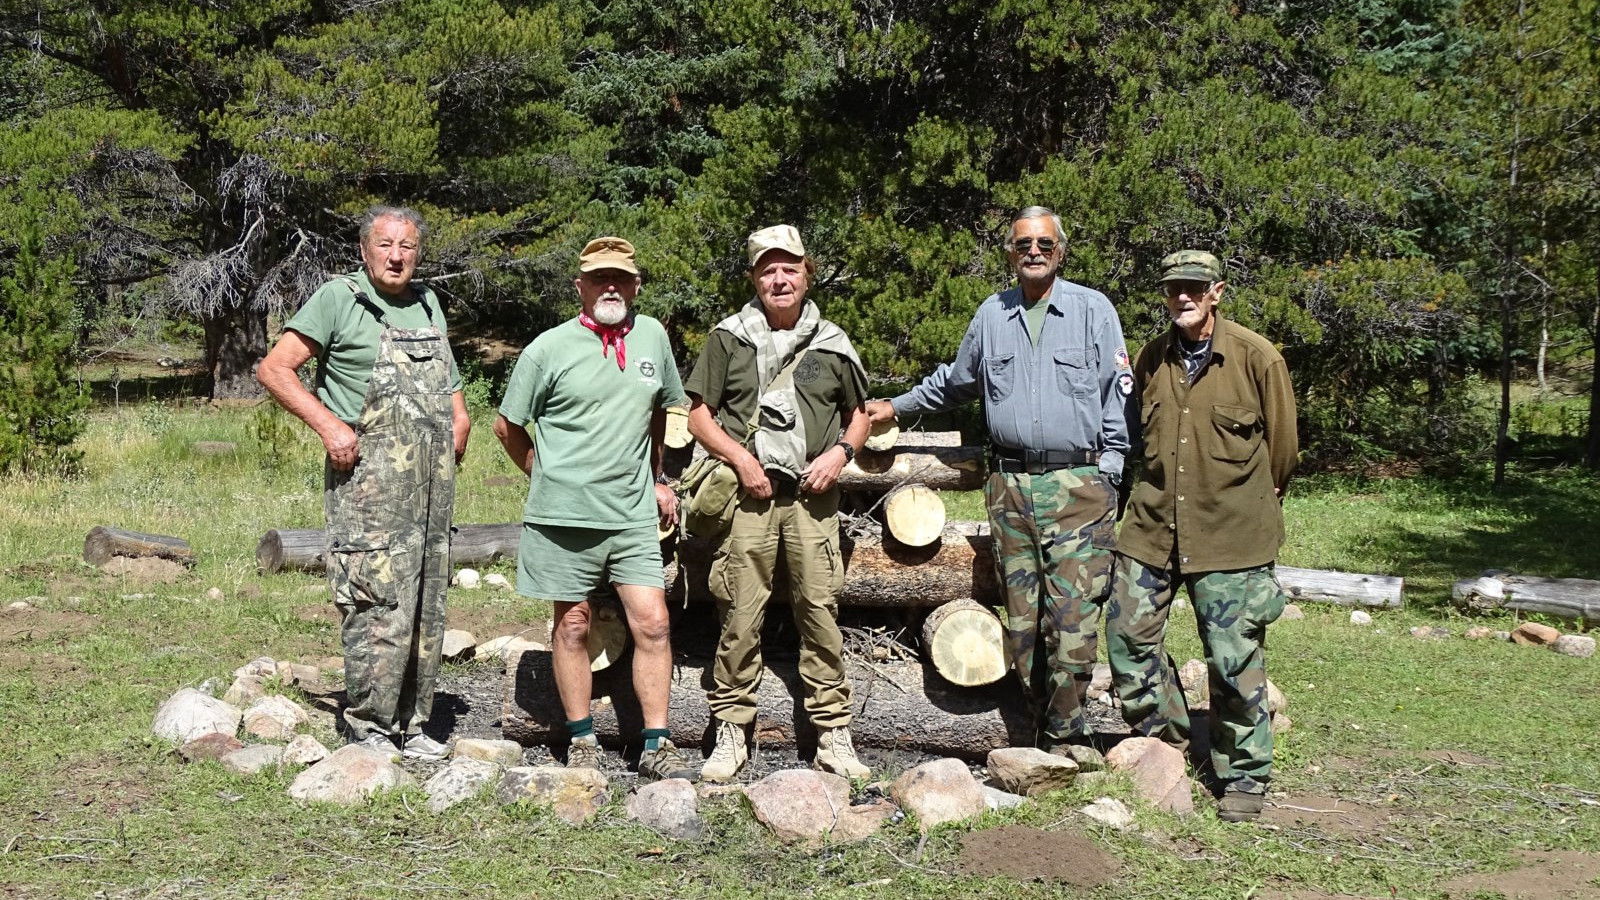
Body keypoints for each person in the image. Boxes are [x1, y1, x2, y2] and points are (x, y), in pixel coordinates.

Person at [866, 206, 1132, 754]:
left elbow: (1119, 397)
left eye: (1043, 243)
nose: (1032, 252)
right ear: (1010, 254)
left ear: (1061, 250)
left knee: (1074, 621)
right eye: (1021, 245)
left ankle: (1069, 737)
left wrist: (1110, 472)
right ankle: (1035, 731)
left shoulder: (1092, 311)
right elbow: (955, 383)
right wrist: (893, 407)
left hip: (1078, 487)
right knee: (1024, 622)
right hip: (1010, 488)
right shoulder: (993, 314)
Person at [257, 205, 470, 759]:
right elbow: (275, 369)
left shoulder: (427, 302)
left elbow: (449, 383)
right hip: (368, 483)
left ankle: (415, 723)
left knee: (427, 596)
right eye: (385, 244)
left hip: (430, 484)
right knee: (376, 595)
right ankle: (368, 725)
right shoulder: (338, 298)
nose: (397, 256)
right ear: (364, 249)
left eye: (407, 246)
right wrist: (329, 426)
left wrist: (460, 420)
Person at [492, 236, 694, 781]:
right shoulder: (548, 349)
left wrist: (655, 479)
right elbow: (506, 425)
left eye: (622, 278)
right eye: (599, 277)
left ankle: (657, 741)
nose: (611, 286)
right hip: (563, 517)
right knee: (574, 623)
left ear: (635, 285)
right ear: (578, 286)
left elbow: (660, 410)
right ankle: (581, 738)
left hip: (630, 515)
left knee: (653, 624)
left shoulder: (653, 337)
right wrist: (542, 472)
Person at [1107, 249, 1298, 823]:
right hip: (1153, 527)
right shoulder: (1151, 357)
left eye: (1193, 287)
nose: (1182, 298)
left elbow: (1283, 453)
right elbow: (1140, 437)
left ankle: (1244, 774)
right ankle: (1170, 742)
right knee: (1126, 639)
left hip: (1230, 534)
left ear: (1216, 290)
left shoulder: (1257, 358)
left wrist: (1248, 502)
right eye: (1172, 289)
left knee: (1233, 659)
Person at [686, 224, 872, 782]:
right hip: (750, 496)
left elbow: (859, 413)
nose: (779, 278)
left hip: (813, 498)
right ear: (753, 278)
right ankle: (731, 730)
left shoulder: (833, 342)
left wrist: (839, 455)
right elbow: (698, 415)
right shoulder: (729, 338)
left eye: (789, 267)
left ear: (806, 272)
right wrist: (741, 460)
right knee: (740, 613)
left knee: (819, 610)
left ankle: (833, 733)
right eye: (767, 269)